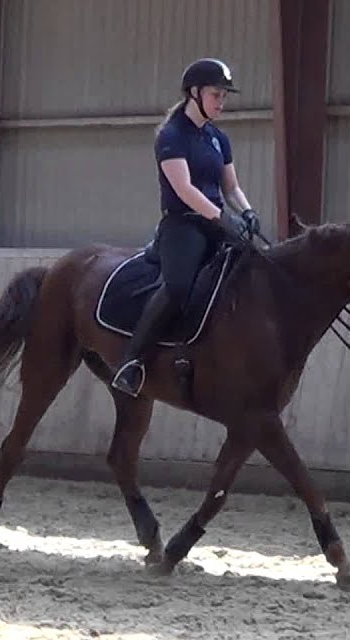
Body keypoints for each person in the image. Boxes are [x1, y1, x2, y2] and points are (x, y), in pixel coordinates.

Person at [110, 57, 261, 398]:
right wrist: (222, 218)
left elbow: (231, 187)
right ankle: (131, 362)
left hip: (218, 222)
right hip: (183, 225)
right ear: (194, 93)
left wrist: (248, 212)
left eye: (224, 96)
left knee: (256, 271)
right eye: (215, 95)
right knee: (179, 287)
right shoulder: (172, 135)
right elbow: (184, 189)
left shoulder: (219, 139)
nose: (221, 102)